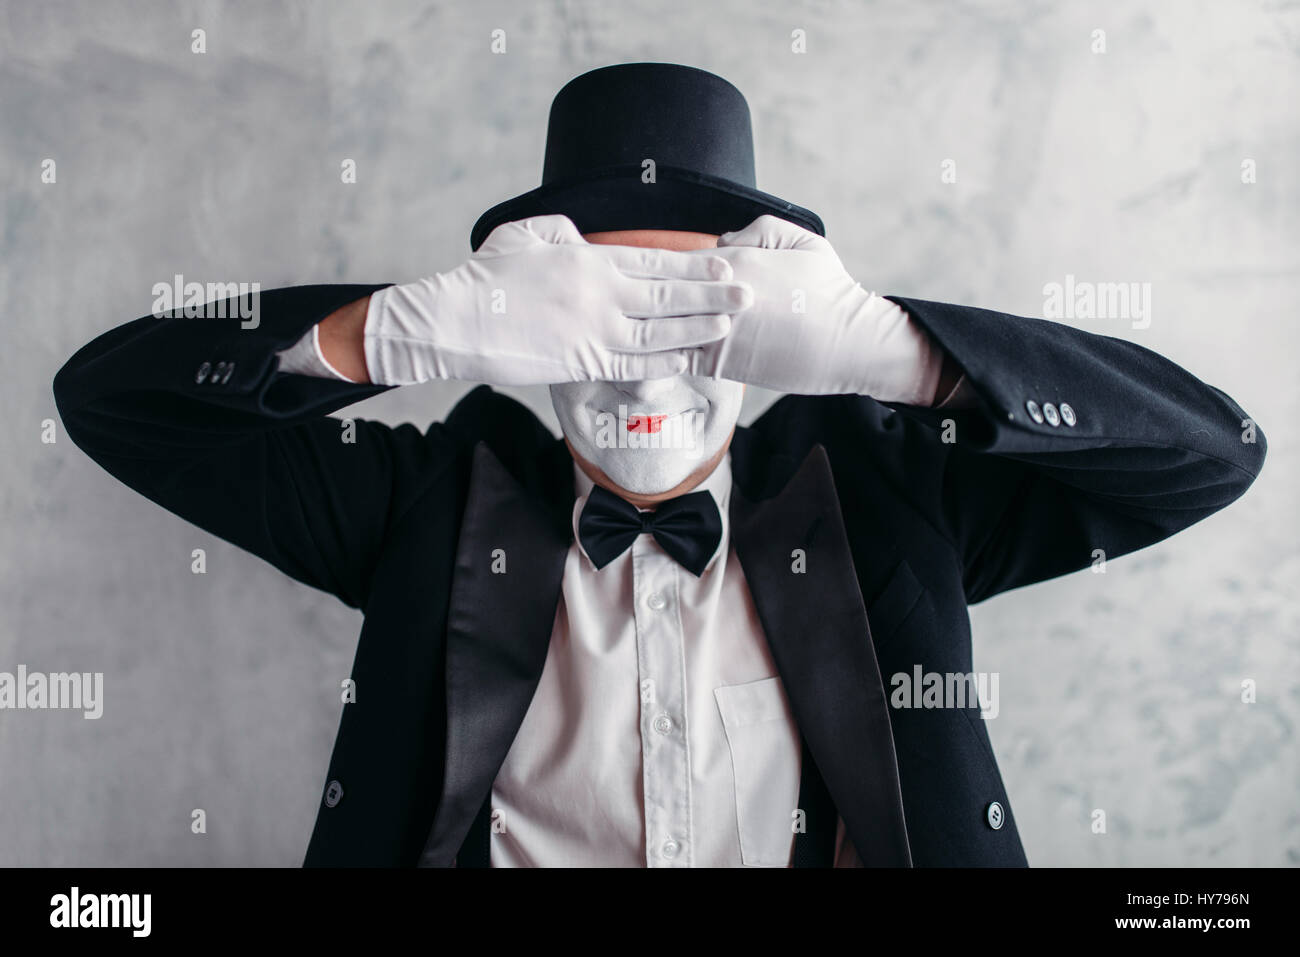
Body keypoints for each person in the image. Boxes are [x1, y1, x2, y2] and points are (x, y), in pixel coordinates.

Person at [53, 62, 1265, 867]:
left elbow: (1209, 455)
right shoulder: (427, 501)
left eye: (693, 307)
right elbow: (111, 402)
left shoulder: (893, 496)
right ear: (521, 319)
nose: (645, 358)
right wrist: (393, 330)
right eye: (601, 304)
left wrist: (901, 354)